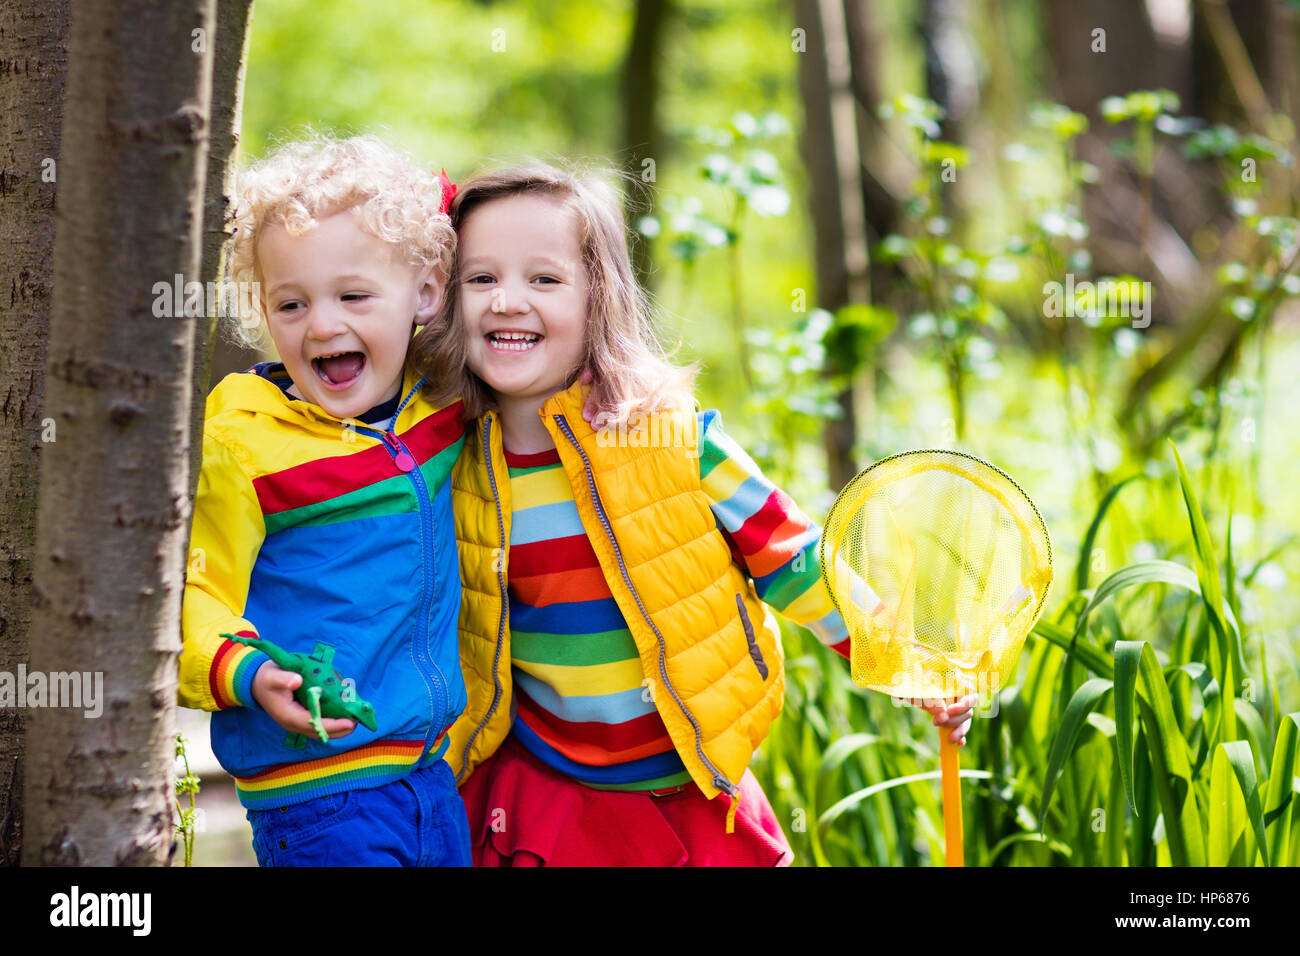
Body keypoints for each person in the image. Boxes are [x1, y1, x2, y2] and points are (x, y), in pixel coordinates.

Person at [414, 163, 975, 866]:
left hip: (693, 789)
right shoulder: (447, 464)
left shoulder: (674, 440)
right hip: (555, 794)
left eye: (544, 280)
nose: (507, 301)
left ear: (599, 297)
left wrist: (903, 660)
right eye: (482, 279)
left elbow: (791, 558)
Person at [178, 134, 473, 866]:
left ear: (427, 293)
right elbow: (187, 589)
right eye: (291, 302)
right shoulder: (245, 444)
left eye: (353, 295)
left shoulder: (441, 412)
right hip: (319, 795)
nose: (322, 324)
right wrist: (247, 672)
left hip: (432, 774)